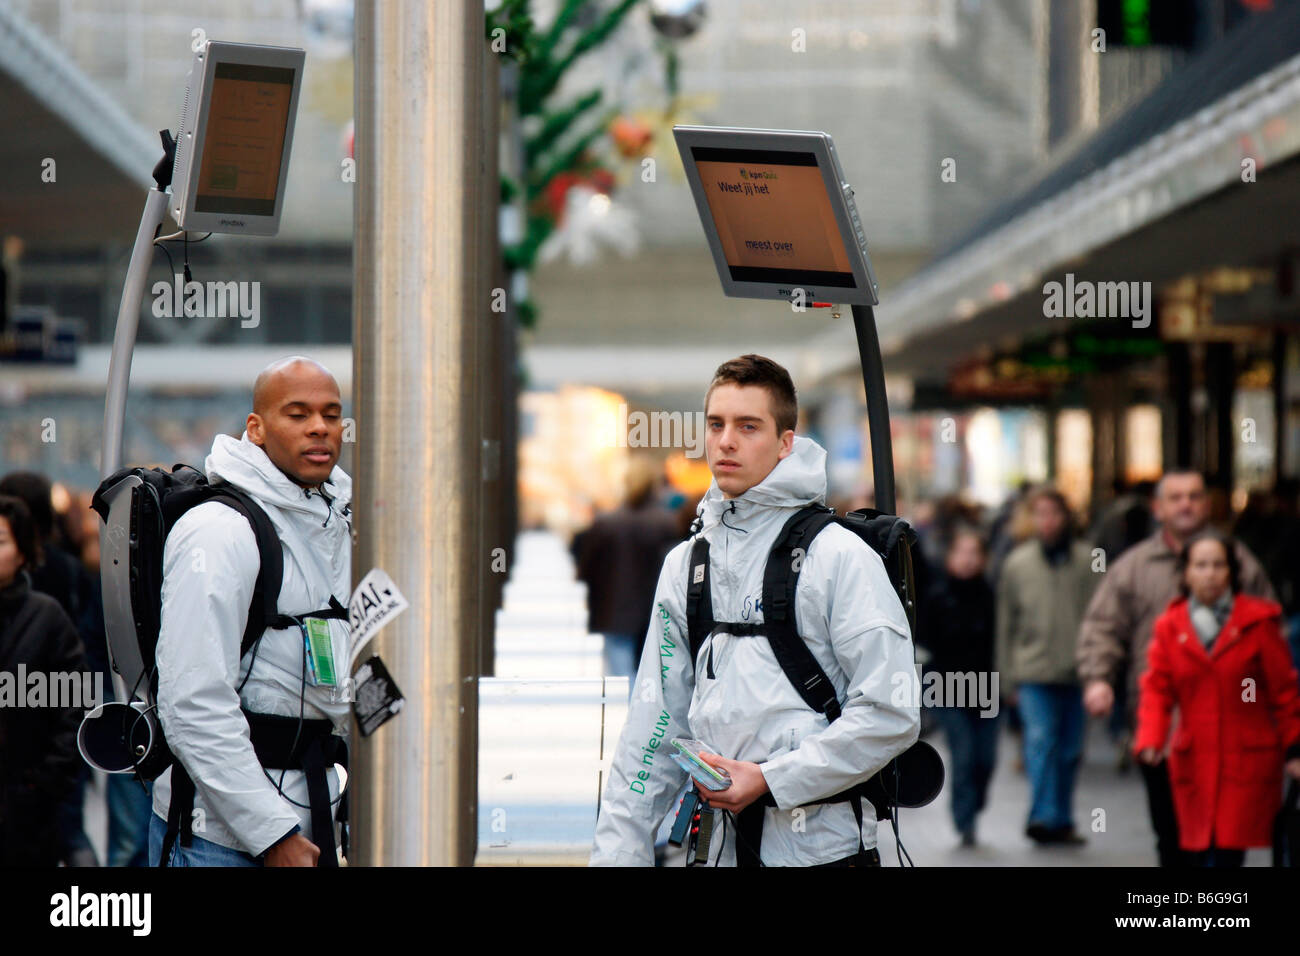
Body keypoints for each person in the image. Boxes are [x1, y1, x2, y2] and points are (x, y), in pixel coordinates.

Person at [590, 354, 918, 867]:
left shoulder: (838, 556)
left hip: (825, 853)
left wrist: (769, 780)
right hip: (717, 852)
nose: (726, 441)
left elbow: (891, 713)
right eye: (716, 424)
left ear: (786, 442)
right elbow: (653, 732)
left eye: (749, 426)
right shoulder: (686, 565)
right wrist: (617, 856)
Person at [146, 356, 352, 867]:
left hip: (312, 821)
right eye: (298, 414)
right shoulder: (220, 531)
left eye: (331, 413)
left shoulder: (333, 521)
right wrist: (271, 835)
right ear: (256, 429)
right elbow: (192, 702)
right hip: (221, 841)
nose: (320, 428)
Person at [1076, 469, 1276, 866]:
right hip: (1162, 728)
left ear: (1208, 504)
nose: (1186, 504)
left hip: (1230, 730)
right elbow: (1103, 626)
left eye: (1195, 496)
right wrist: (1099, 679)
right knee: (1173, 838)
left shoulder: (1240, 564)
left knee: (1226, 840)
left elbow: (1269, 637)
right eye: (1176, 497)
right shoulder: (1134, 567)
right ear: (1158, 508)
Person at [1134, 530, 1300, 867]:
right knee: (1192, 848)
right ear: (1186, 572)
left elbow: (1283, 691)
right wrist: (1151, 737)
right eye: (1200, 565)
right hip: (1192, 756)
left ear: (1231, 572)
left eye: (1218, 565)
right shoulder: (1170, 625)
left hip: (1245, 756)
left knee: (1227, 852)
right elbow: (1157, 687)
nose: (1209, 574)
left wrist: (1294, 748)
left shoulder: (1258, 622)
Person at [996, 486, 1098, 845]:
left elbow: (1102, 619)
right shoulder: (1017, 564)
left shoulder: (1089, 561)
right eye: (1040, 513)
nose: (1048, 521)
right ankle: (1042, 816)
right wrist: (1006, 679)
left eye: (1054, 513)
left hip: (1077, 671)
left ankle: (1063, 818)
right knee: (1040, 744)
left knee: (1070, 750)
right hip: (1033, 671)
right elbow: (1005, 623)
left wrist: (1100, 670)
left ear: (1066, 517)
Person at [0, 495, 89, 867]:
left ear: (23, 551)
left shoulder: (46, 619)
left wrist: (41, 786)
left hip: (25, 815)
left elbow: (74, 710)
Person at [918, 526, 997, 847]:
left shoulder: (992, 596)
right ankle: (965, 820)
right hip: (947, 687)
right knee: (963, 754)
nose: (967, 560)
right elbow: (922, 644)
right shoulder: (936, 596)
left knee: (986, 759)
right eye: (961, 552)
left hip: (986, 687)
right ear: (950, 557)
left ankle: (974, 804)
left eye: (974, 553)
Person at [573, 457, 680, 678]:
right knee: (649, 680)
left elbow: (585, 571)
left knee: (622, 680)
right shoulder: (667, 524)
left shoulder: (606, 524)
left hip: (614, 613)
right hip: (654, 613)